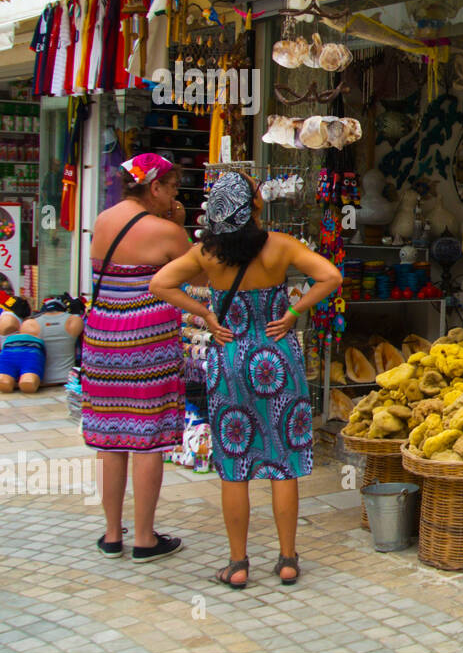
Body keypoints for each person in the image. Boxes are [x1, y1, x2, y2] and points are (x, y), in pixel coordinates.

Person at [151, 172, 341, 588]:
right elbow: (331, 277)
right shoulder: (279, 246)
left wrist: (204, 314)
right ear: (253, 206)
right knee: (284, 462)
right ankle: (288, 558)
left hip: (231, 358)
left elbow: (160, 283)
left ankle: (238, 564)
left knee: (234, 465)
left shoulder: (207, 253)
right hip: (277, 356)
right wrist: (293, 313)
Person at [82, 153, 190, 562]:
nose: (175, 195)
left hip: (102, 341)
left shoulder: (104, 219)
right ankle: (144, 538)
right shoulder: (166, 232)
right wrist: (178, 223)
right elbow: (196, 274)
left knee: (112, 439)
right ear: (155, 187)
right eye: (173, 188)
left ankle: (112, 534)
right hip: (148, 345)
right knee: (147, 442)